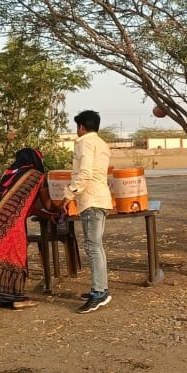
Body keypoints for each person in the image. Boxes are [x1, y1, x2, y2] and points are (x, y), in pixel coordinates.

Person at [0, 147, 57, 310]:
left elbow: (26, 206)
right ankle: (17, 298)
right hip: (10, 225)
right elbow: (48, 204)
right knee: (14, 257)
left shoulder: (10, 176)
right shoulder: (37, 177)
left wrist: (47, 216)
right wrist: (63, 205)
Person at [61, 110, 113, 313]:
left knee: (92, 247)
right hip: (101, 199)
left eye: (77, 127)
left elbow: (84, 173)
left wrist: (69, 194)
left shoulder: (84, 142)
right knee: (96, 246)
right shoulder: (102, 144)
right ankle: (100, 288)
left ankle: (99, 292)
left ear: (81, 127)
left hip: (91, 200)